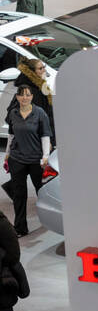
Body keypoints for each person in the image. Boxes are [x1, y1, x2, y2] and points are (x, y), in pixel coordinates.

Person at [5, 85, 50, 237]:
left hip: (36, 160)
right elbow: (11, 136)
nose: (24, 98)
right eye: (21, 95)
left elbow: (45, 135)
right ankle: (20, 228)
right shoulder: (13, 113)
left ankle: (51, 221)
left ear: (32, 97)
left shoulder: (39, 113)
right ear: (17, 97)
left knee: (42, 192)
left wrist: (45, 157)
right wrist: (7, 154)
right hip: (17, 158)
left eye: (27, 95)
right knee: (19, 195)